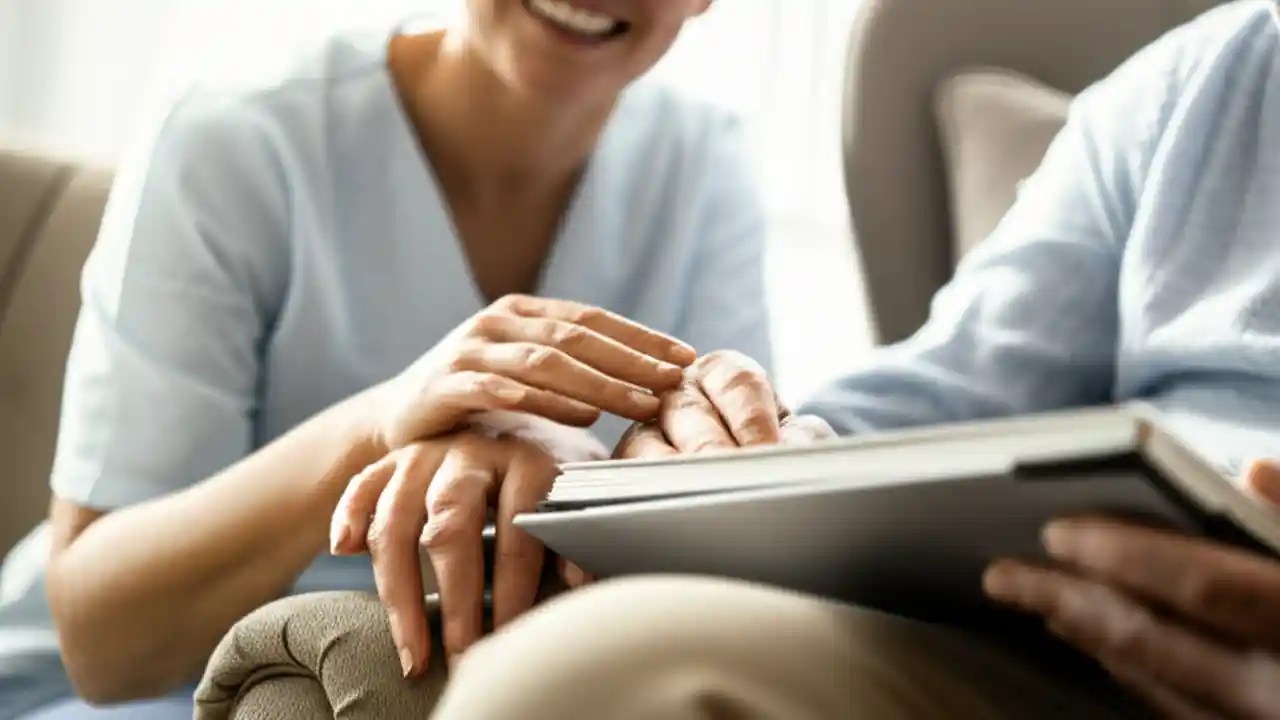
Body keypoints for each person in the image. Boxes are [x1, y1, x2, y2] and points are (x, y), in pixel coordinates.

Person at [410, 1, 1280, 717]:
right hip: (1088, 634)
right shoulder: (1214, 81)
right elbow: (931, 399)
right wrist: (702, 456)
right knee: (572, 680)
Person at [0, 0, 775, 717]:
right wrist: (381, 426)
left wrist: (586, 473)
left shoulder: (705, 167)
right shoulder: (234, 138)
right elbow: (100, 645)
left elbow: (721, 527)